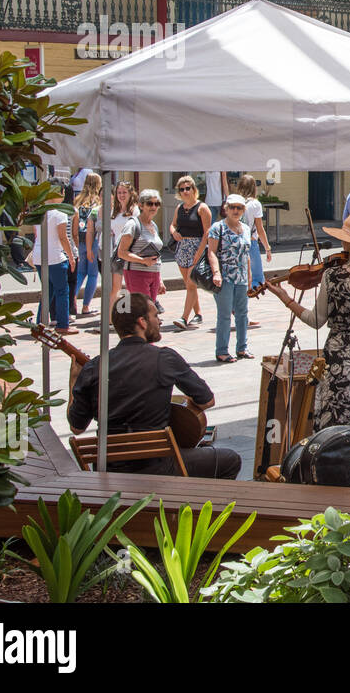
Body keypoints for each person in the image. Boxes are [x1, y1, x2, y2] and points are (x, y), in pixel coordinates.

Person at [67, 293, 240, 478]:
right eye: (155, 316)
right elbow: (207, 401)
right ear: (142, 322)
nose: (159, 321)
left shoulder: (94, 366)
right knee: (230, 460)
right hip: (158, 470)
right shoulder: (164, 358)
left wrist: (74, 380)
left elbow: (77, 428)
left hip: (110, 475)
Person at [264, 212, 350, 429]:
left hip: (340, 357)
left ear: (348, 242)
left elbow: (315, 320)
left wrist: (286, 298)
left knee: (339, 427)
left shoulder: (333, 275)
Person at [201, 193, 253, 363]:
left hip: (241, 277)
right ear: (226, 209)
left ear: (243, 210)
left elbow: (247, 255)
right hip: (225, 277)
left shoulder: (245, 228)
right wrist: (216, 273)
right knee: (224, 315)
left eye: (239, 208)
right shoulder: (218, 228)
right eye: (232, 207)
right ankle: (222, 350)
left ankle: (242, 348)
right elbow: (212, 252)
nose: (236, 210)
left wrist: (250, 278)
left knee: (242, 314)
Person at [33, 180, 78, 335]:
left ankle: (40, 323)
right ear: (59, 193)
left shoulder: (38, 212)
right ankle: (63, 324)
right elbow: (63, 237)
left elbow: (36, 235)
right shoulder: (60, 214)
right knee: (62, 291)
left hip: (39, 255)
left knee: (47, 290)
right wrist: (71, 257)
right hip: (55, 256)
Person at [169, 175, 211, 332]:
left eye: (188, 188)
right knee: (188, 284)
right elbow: (172, 225)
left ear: (194, 189)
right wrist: (174, 232)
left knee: (191, 283)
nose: (185, 191)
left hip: (196, 247)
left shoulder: (202, 208)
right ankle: (198, 313)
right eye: (182, 189)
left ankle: (184, 318)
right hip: (182, 247)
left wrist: (199, 253)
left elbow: (207, 232)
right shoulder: (179, 208)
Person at [116, 188, 166, 306]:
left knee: (150, 309)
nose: (153, 207)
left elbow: (157, 254)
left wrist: (160, 279)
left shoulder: (153, 225)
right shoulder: (132, 225)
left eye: (156, 204)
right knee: (143, 310)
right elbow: (122, 252)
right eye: (150, 203)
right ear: (141, 205)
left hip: (154, 273)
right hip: (136, 273)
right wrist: (143, 260)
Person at [71, 171, 102, 319]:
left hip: (80, 241)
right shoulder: (97, 203)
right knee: (92, 274)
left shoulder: (77, 200)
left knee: (80, 273)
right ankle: (86, 306)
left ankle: (72, 302)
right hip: (93, 240)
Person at [237, 174, 273, 292]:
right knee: (256, 279)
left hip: (235, 243)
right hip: (250, 242)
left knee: (239, 277)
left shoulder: (235, 202)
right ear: (253, 188)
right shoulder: (255, 204)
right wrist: (267, 248)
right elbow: (260, 229)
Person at [108, 180, 139, 314]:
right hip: (116, 253)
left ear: (130, 193)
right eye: (119, 192)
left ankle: (129, 316)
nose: (121, 195)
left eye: (124, 192)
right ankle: (111, 319)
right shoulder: (114, 211)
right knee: (115, 288)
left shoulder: (135, 211)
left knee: (130, 288)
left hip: (130, 252)